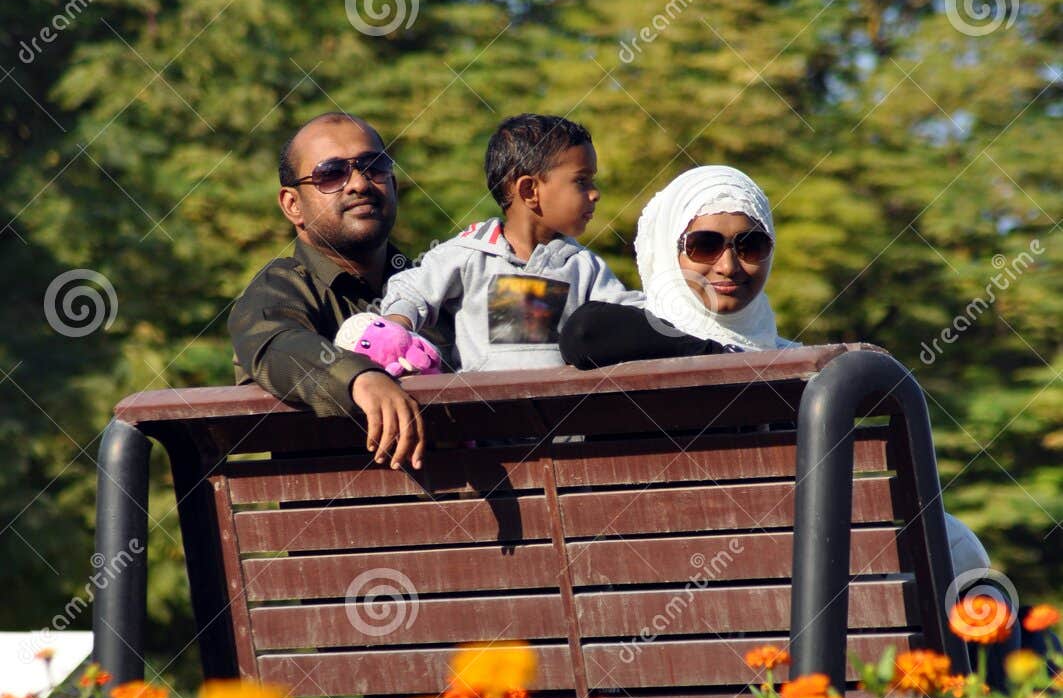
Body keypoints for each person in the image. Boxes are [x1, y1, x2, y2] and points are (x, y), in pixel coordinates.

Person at [560, 164, 990, 580]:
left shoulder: (794, 364)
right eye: (704, 245)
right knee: (959, 551)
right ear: (668, 248)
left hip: (707, 573)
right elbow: (584, 332)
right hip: (745, 573)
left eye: (750, 246)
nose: (728, 266)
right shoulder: (793, 370)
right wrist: (723, 358)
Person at [229, 112, 434, 470]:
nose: (358, 183)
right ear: (293, 205)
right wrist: (360, 376)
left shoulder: (435, 282)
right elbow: (276, 344)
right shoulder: (279, 290)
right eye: (331, 174)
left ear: (394, 184)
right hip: (342, 522)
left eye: (374, 166)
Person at [376, 113, 643, 370]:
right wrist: (396, 327)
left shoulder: (584, 265)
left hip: (565, 407)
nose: (595, 194)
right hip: (484, 409)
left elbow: (626, 313)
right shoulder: (469, 254)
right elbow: (412, 289)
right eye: (581, 181)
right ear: (529, 191)